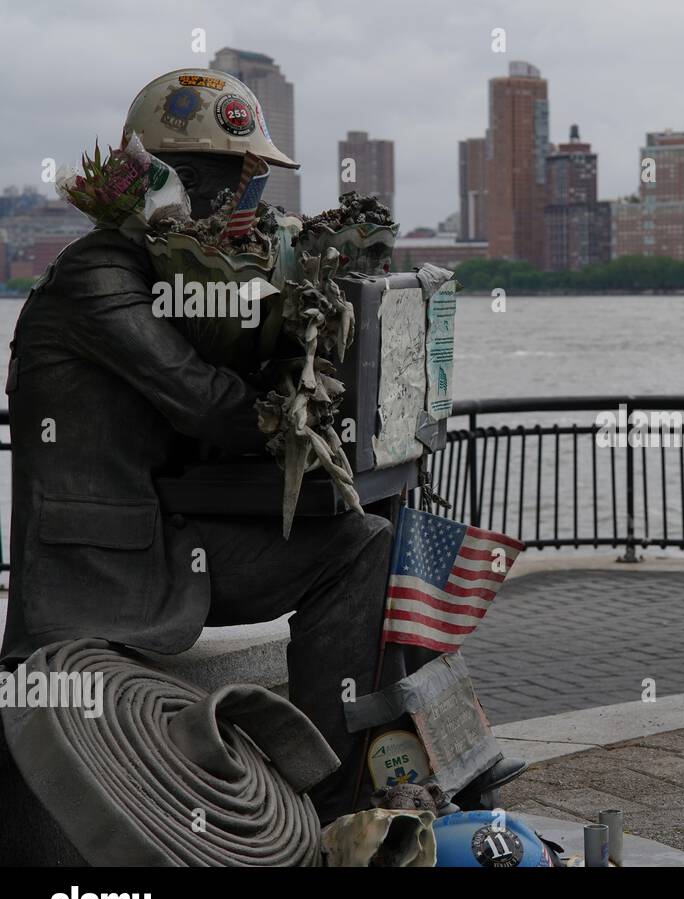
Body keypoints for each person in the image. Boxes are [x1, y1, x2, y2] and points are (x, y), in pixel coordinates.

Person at [3, 68, 442, 824]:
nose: (245, 201)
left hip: (166, 538)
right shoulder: (98, 276)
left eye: (251, 182)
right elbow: (204, 403)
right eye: (221, 180)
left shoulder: (166, 270)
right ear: (158, 178)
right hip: (102, 565)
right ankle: (343, 806)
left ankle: (383, 772)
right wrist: (312, 401)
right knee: (357, 547)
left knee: (369, 539)